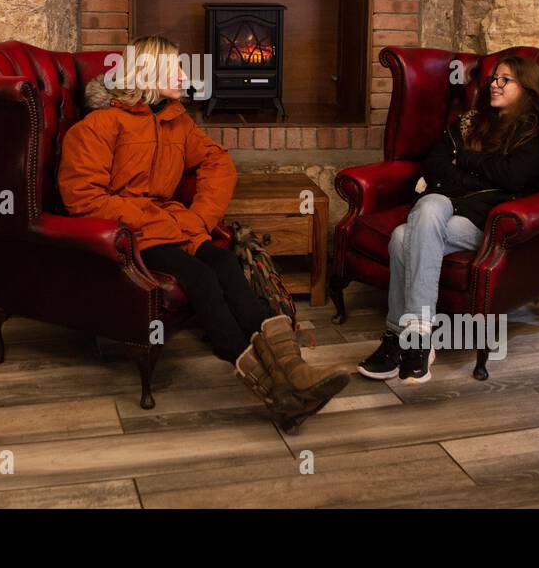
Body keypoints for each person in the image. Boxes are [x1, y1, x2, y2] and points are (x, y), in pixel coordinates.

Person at [58, 35, 349, 427]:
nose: (184, 76)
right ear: (148, 73)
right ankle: (277, 390)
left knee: (227, 265)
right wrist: (156, 219)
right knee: (201, 277)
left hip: (178, 227)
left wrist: (200, 218)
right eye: (175, 68)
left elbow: (218, 162)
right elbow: (83, 198)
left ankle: (292, 370)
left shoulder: (176, 120)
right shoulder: (98, 125)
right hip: (132, 236)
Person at [359, 55, 539, 384]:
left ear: (527, 89)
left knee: (405, 236)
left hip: (481, 221)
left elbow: (512, 177)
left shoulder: (531, 133)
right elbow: (434, 163)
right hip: (441, 209)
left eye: (505, 80)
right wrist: (477, 175)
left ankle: (397, 337)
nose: (494, 84)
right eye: (493, 78)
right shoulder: (471, 122)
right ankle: (418, 337)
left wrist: (462, 159)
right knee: (413, 225)